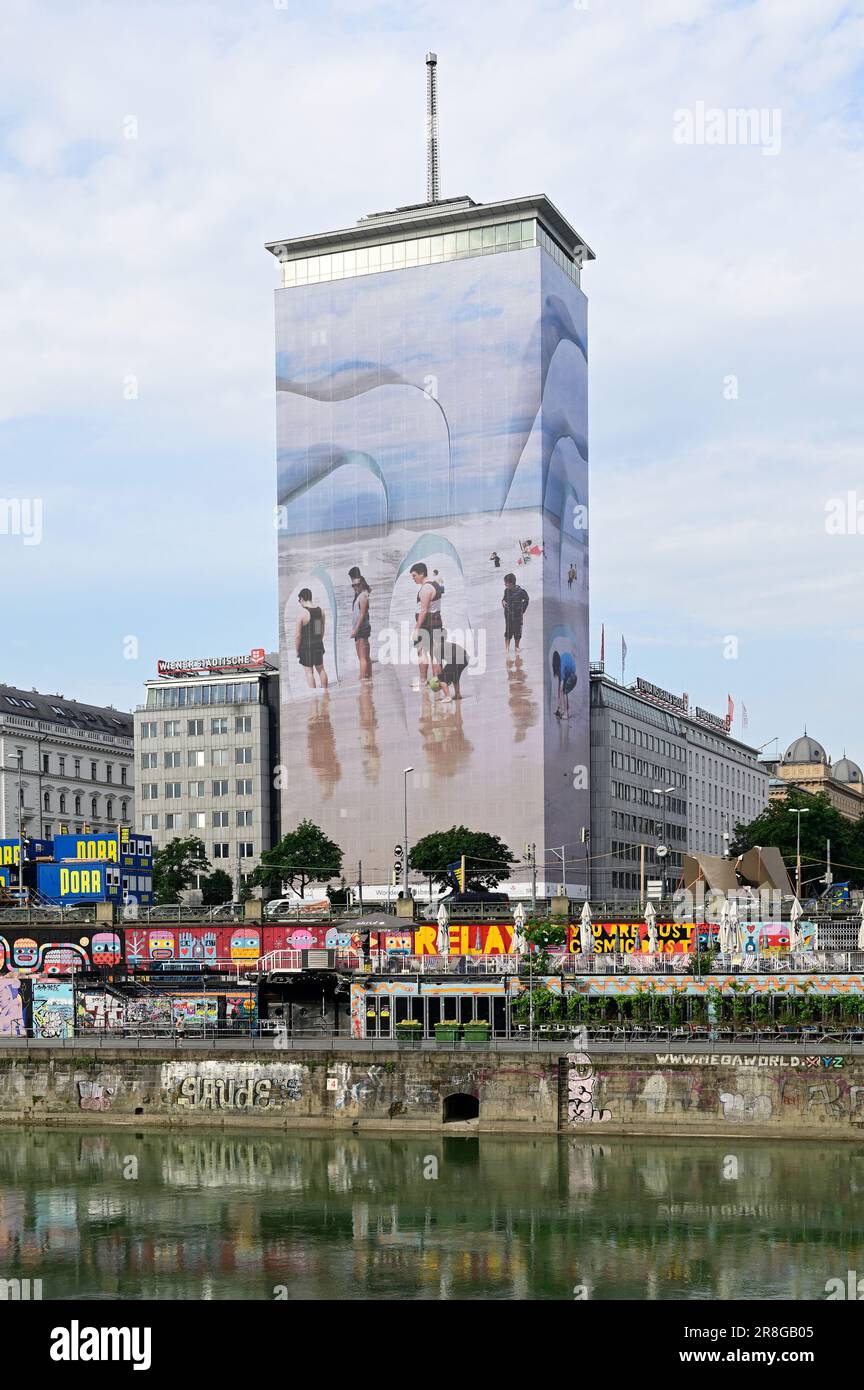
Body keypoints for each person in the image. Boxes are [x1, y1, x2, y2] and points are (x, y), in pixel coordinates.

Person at [410, 562, 444, 683]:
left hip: (426, 624)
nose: (413, 578)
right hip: (437, 622)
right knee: (436, 654)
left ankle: (423, 681)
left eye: (414, 575)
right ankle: (438, 681)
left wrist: (416, 628)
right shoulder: (435, 584)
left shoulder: (425, 589)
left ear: (422, 573)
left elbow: (423, 611)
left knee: (421, 652)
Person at [295, 588, 328, 689]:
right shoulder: (320, 611)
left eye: (299, 601)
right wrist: (318, 641)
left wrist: (297, 651)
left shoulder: (302, 614)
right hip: (318, 644)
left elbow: (298, 636)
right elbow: (320, 630)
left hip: (306, 647)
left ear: (301, 599)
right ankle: (325, 692)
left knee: (309, 672)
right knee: (321, 669)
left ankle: (314, 695)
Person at [348, 567, 372, 680]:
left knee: (362, 657)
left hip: (361, 628)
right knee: (365, 656)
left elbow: (362, 614)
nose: (355, 587)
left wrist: (355, 630)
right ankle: (368, 676)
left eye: (357, 585)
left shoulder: (363, 595)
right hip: (362, 627)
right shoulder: (361, 594)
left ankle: (363, 679)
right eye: (353, 585)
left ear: (361, 583)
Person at [502, 573, 529, 655]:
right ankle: (506, 648)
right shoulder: (506, 591)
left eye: (506, 583)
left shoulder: (521, 591)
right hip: (508, 615)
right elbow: (504, 599)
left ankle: (517, 647)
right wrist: (503, 602)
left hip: (518, 616)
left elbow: (526, 599)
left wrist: (522, 610)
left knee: (517, 632)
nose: (505, 584)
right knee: (508, 631)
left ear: (511, 583)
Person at [552, 648, 577, 718]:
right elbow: (558, 685)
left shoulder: (561, 667)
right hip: (568, 673)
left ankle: (566, 713)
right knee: (561, 689)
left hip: (573, 677)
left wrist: (561, 691)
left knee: (563, 692)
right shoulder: (561, 662)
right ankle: (560, 709)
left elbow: (560, 689)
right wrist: (559, 706)